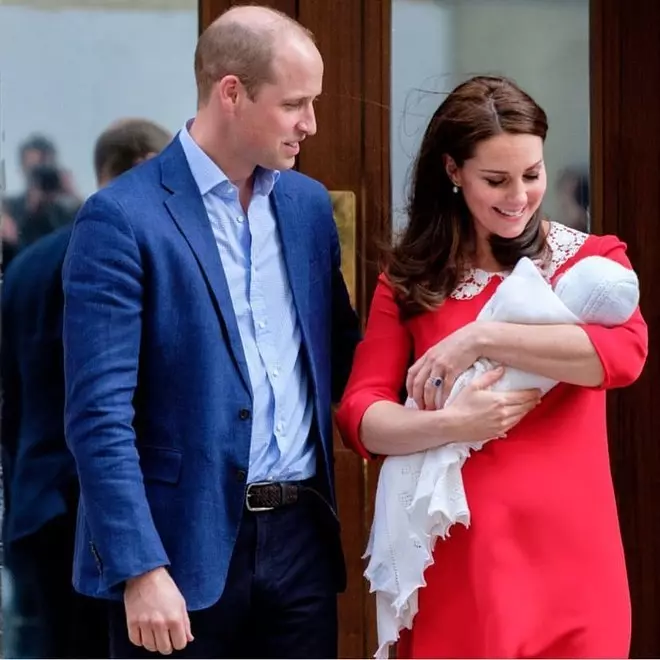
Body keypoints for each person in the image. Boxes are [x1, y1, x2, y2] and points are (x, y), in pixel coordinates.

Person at [61, 6, 360, 659]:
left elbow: (346, 355)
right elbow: (97, 415)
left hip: (301, 544)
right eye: (295, 104)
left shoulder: (308, 208)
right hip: (176, 556)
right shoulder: (120, 219)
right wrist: (139, 568)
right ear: (231, 92)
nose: (311, 123)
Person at [336, 75, 647, 659]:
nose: (519, 196)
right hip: (466, 560)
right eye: (496, 180)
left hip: (578, 560)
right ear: (453, 172)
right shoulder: (409, 283)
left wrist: (482, 337)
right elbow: (360, 417)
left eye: (532, 174)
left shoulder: (592, 263)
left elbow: (623, 357)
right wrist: (453, 425)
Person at [1, 118, 173, 659]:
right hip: (109, 510)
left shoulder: (27, 264)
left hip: (36, 499)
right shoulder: (140, 256)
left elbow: (10, 400)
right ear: (148, 165)